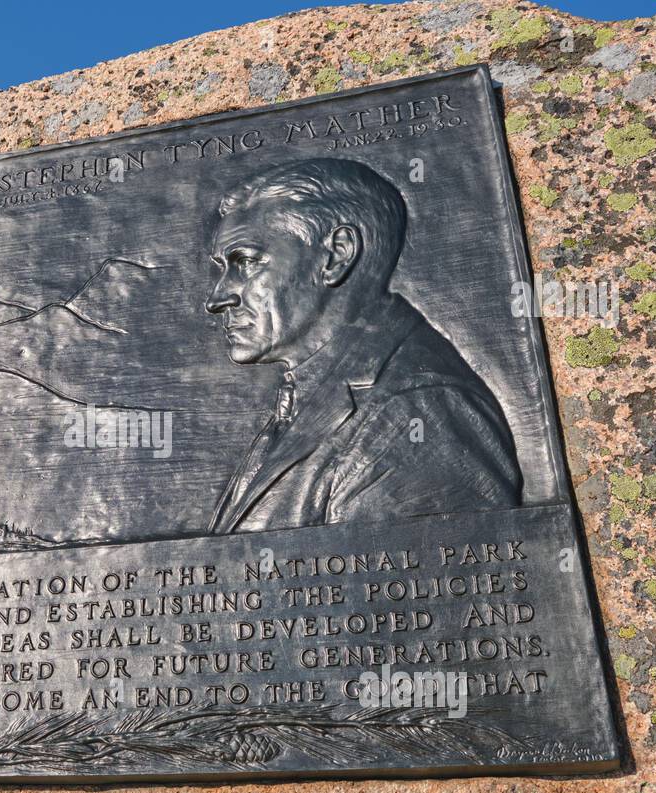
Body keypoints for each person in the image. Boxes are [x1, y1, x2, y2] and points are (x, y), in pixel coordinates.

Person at [204, 158, 522, 534]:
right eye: (223, 267)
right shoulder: (315, 392)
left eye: (245, 261)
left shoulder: (415, 411)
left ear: (336, 255)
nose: (218, 297)